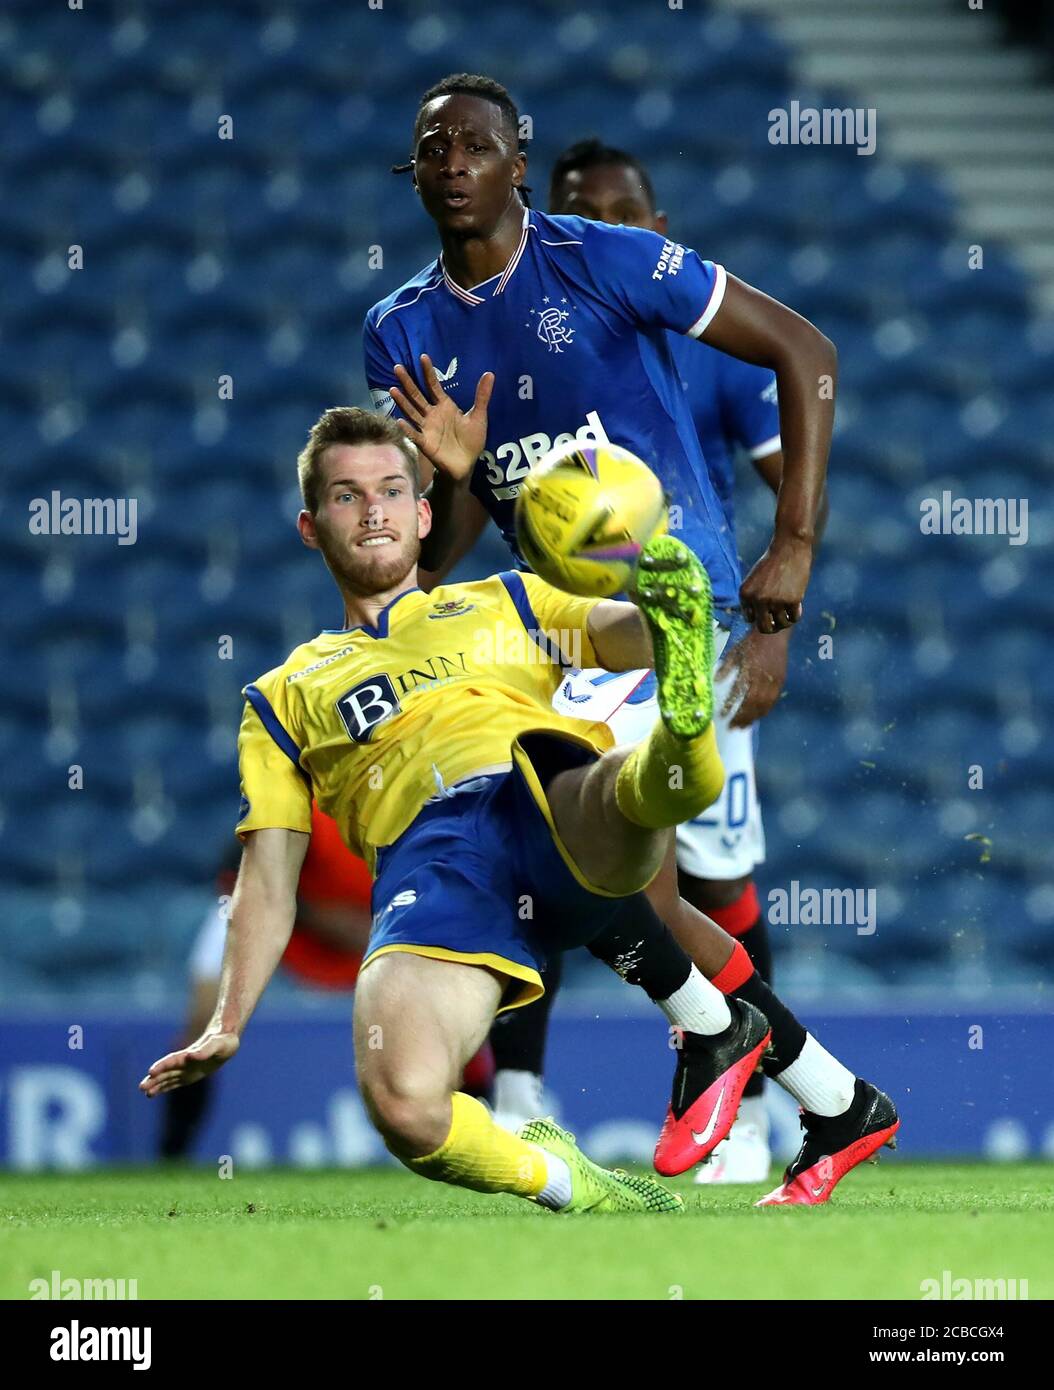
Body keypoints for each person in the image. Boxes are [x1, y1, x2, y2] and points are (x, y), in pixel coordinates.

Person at [363, 75, 898, 1205]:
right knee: (629, 887)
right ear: (410, 174)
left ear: (518, 161)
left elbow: (804, 350)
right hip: (553, 630)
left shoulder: (605, 258)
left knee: (580, 854)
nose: (453, 158)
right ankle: (835, 1098)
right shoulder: (399, 330)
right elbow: (446, 542)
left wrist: (792, 544)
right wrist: (456, 479)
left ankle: (717, 1034)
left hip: (667, 604)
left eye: (476, 142)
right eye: (431, 146)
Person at [141, 407, 786, 1214]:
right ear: (311, 527)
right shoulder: (280, 695)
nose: (372, 509)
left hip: (537, 790)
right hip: (433, 864)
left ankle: (680, 756)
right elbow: (269, 880)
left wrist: (655, 601)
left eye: (389, 490)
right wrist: (228, 1021)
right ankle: (574, 1185)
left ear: (422, 514)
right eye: (346, 497)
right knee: (406, 1105)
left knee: (578, 782)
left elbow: (625, 637)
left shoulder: (508, 599)